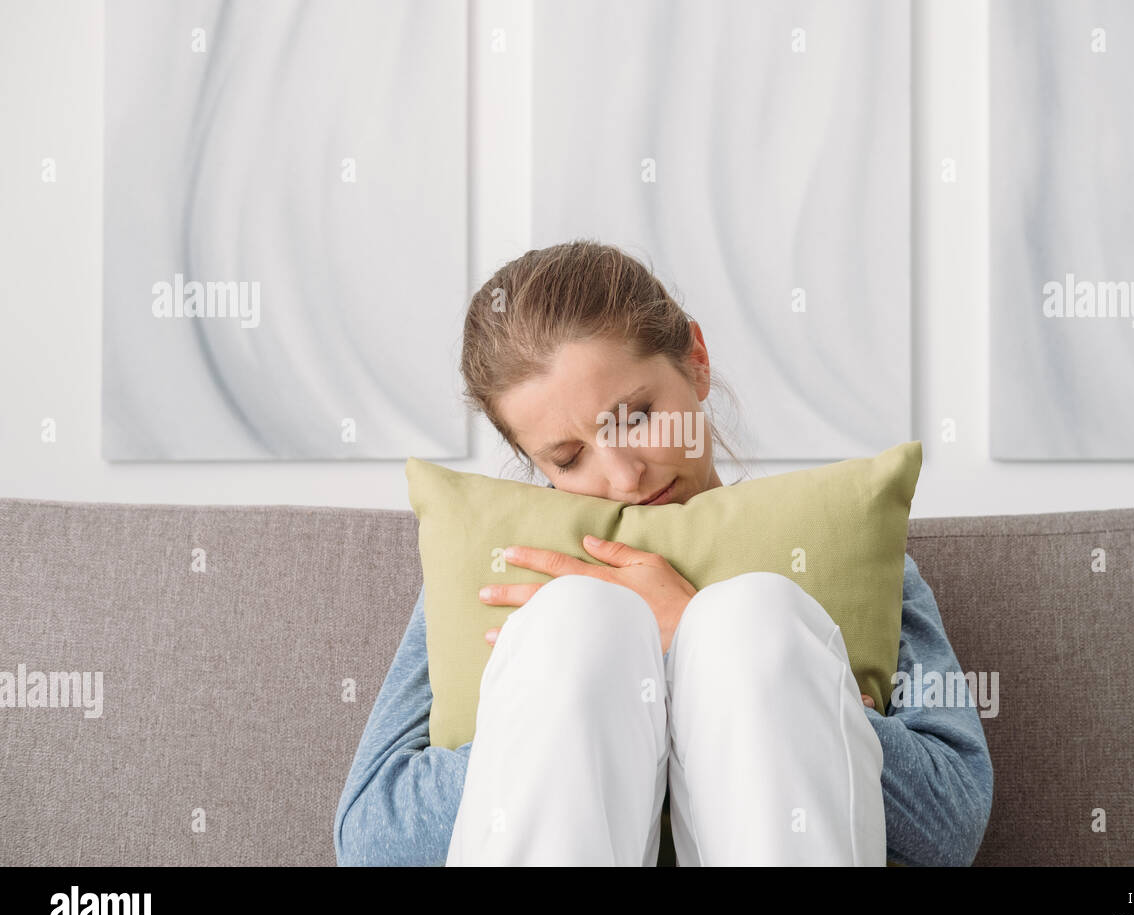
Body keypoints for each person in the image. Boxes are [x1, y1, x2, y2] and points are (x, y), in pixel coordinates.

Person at [334, 239, 993, 866]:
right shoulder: (500, 569)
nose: (624, 476)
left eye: (637, 416)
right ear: (533, 463)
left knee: (751, 616)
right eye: (568, 458)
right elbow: (371, 840)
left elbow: (952, 823)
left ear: (696, 361)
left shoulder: (840, 551)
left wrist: (707, 641)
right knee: (577, 623)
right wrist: (573, 702)